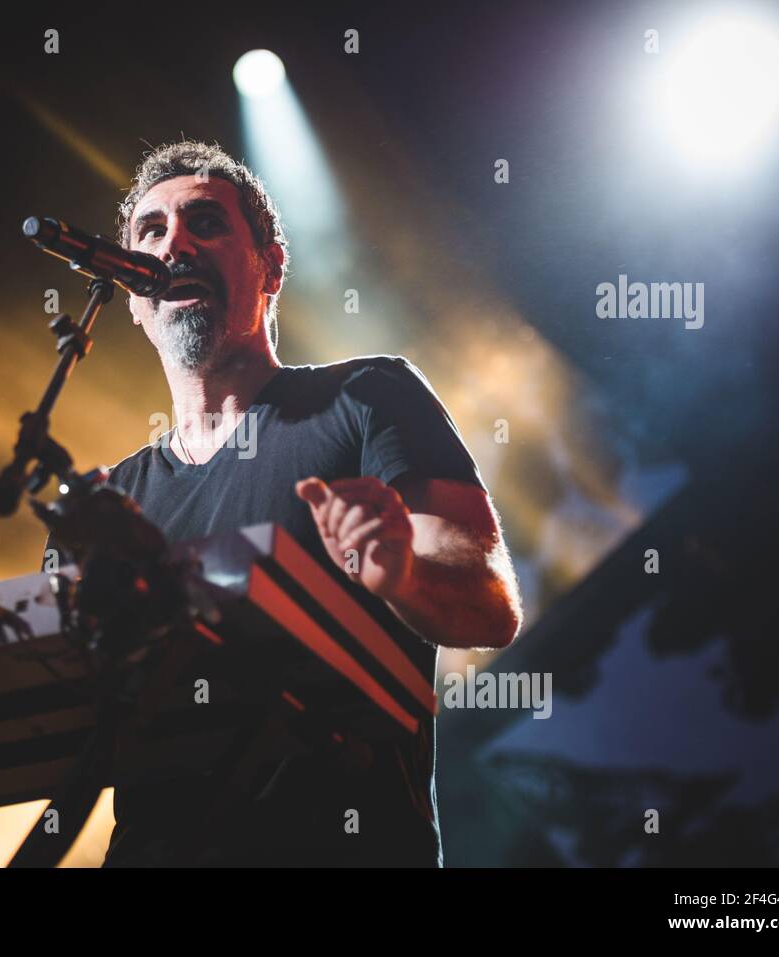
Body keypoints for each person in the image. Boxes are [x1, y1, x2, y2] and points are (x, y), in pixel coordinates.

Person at [95, 140, 522, 865]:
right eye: (153, 232)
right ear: (135, 299)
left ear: (271, 266)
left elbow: (489, 605)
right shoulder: (114, 501)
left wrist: (403, 573)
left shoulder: (364, 397)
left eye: (207, 223)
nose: (177, 245)